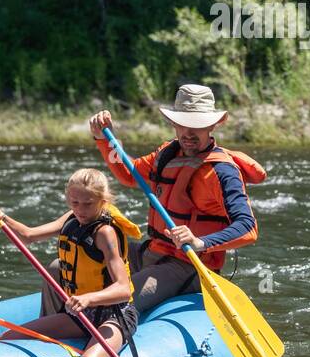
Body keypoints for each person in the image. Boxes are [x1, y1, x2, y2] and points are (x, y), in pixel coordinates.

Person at [89, 84, 265, 312]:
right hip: (151, 252)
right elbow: (128, 174)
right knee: (72, 262)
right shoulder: (167, 154)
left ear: (213, 125)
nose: (188, 133)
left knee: (121, 302)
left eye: (198, 126)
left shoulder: (223, 171)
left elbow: (248, 228)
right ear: (174, 123)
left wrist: (201, 242)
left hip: (189, 264)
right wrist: (103, 139)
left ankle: (103, 329)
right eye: (183, 124)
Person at [0, 169, 143, 357]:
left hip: (114, 314)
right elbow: (28, 235)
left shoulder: (105, 233)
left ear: (103, 201)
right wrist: (3, 218)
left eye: (88, 204)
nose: (80, 210)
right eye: (74, 202)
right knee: (9, 338)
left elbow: (123, 289)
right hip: (82, 315)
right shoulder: (71, 218)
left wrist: (88, 298)